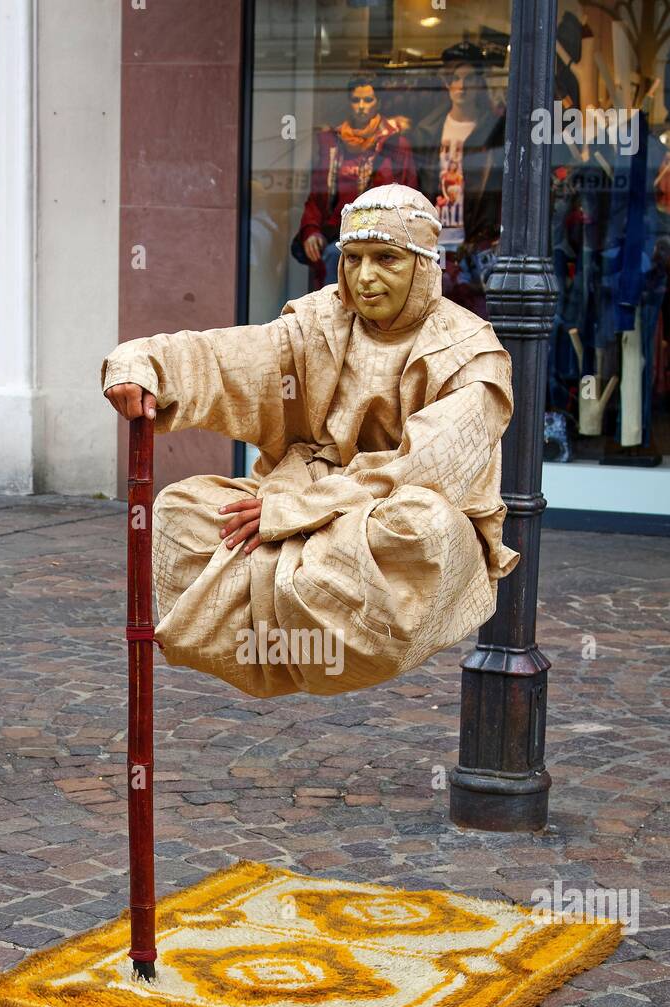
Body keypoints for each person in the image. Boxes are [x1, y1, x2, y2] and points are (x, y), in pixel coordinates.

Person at [101, 183, 518, 699]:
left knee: (421, 528)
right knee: (180, 509)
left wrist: (299, 511)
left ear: (423, 265)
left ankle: (320, 641)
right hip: (302, 488)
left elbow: (424, 469)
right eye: (354, 259)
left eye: (386, 258)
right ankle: (276, 643)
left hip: (388, 510)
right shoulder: (322, 323)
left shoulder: (471, 354)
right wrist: (145, 365)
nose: (365, 278)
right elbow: (233, 357)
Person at [292, 74, 417, 288]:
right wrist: (311, 230)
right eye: (356, 100)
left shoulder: (395, 143)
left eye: (367, 100)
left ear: (377, 101)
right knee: (333, 258)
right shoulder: (332, 142)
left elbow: (410, 195)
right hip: (338, 232)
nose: (361, 106)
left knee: (337, 257)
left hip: (381, 234)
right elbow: (317, 196)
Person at [412, 45, 505, 316]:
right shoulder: (428, 130)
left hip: (475, 247)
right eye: (455, 78)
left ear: (479, 82)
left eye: (469, 78)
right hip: (436, 248)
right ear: (445, 82)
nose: (462, 86)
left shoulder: (494, 130)